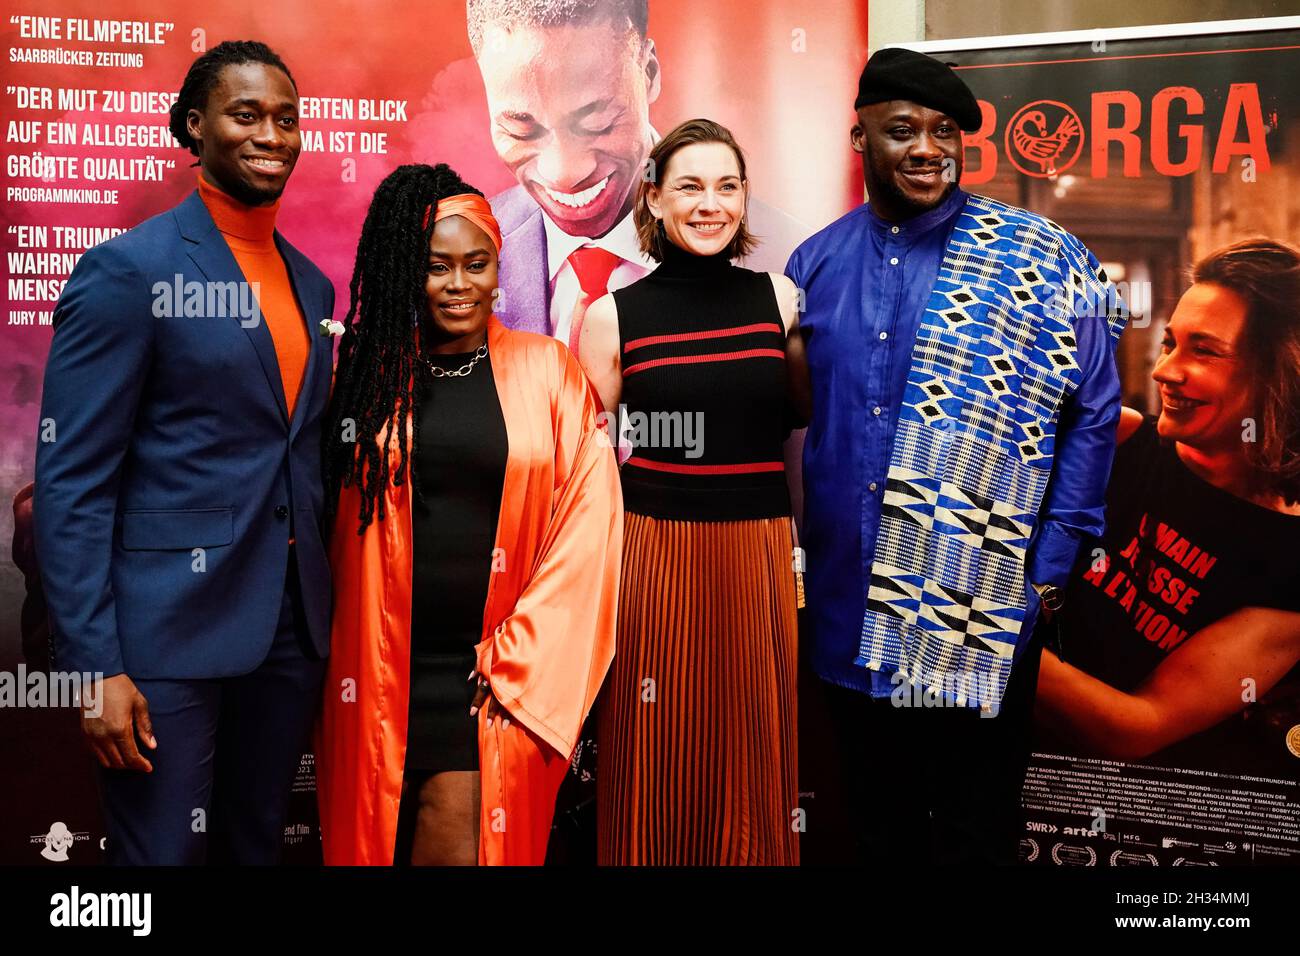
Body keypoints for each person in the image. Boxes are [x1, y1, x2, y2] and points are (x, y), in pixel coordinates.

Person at [786, 47, 1127, 864]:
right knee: (876, 827)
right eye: (903, 129)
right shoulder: (814, 264)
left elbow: (1096, 407)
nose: (927, 148)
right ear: (859, 137)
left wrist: (1050, 562)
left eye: (946, 131)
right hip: (848, 595)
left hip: (981, 594)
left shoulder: (1044, 256)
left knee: (975, 830)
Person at [34, 41, 334, 865]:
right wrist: (95, 668)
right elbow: (73, 481)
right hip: (162, 633)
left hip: (287, 628)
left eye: (285, 118)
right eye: (246, 115)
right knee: (160, 859)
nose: (271, 134)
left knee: (254, 848)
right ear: (194, 126)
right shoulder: (129, 271)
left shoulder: (313, 287)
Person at [316, 163, 622, 866]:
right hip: (379, 664)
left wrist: (521, 652)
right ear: (405, 274)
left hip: (487, 674)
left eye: (476, 264)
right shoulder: (365, 377)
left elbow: (589, 525)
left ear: (497, 268)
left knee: (461, 843)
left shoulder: (550, 371)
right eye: (436, 267)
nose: (458, 284)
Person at [579, 119, 807, 865]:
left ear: (744, 199)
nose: (710, 204)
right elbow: (588, 465)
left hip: (758, 551)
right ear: (653, 197)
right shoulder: (612, 316)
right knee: (656, 748)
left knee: (752, 747)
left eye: (726, 186)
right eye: (689, 186)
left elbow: (806, 422)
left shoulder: (779, 300)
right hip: (654, 552)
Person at [1035, 239, 1300, 773]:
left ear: (1280, 374)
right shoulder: (1119, 441)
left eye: (1204, 351)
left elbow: (1140, 723)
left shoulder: (1288, 565)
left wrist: (980, 634)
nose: (1165, 371)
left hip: (1123, 811)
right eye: (1170, 343)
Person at [467, 0, 809, 354]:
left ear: (649, 72)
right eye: (519, 130)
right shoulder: (459, 256)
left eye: (596, 122)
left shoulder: (790, 260)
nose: (564, 174)